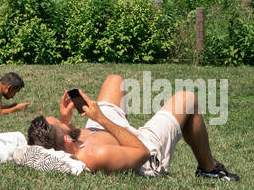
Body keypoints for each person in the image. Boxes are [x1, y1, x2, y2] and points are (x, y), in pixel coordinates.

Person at [25, 74, 239, 179]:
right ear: (66, 140)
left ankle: (116, 120)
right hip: (143, 147)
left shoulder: (66, 144)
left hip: (103, 131)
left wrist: (64, 120)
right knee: (187, 98)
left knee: (114, 80)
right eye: (61, 125)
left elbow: (63, 141)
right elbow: (142, 152)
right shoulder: (98, 154)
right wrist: (101, 118)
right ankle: (209, 169)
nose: (64, 122)